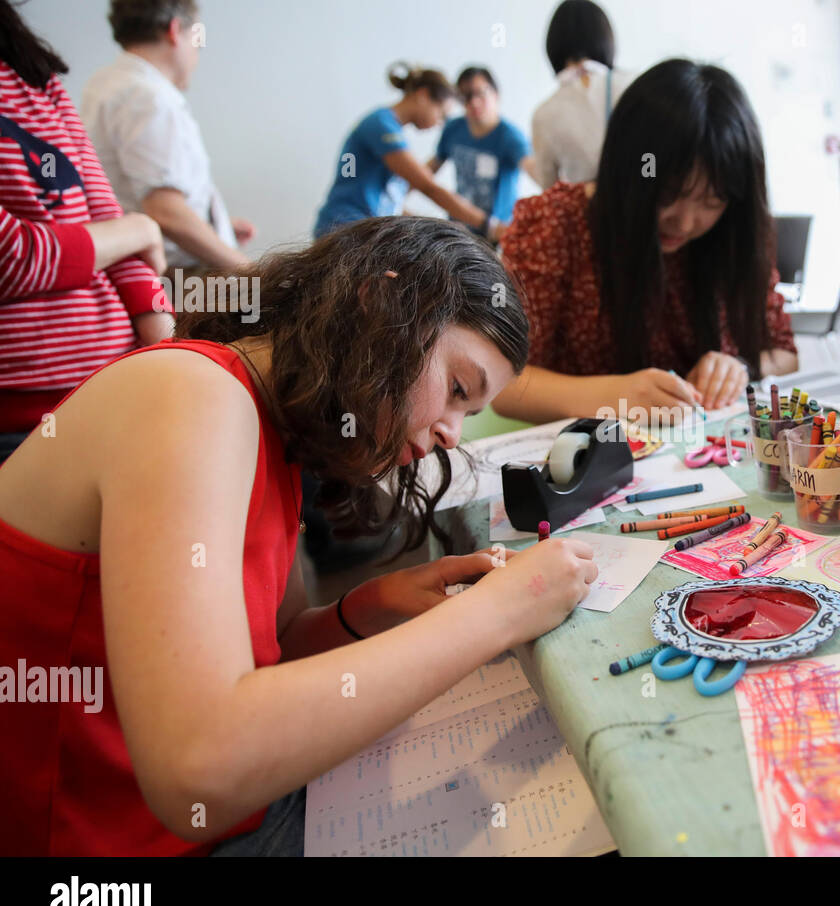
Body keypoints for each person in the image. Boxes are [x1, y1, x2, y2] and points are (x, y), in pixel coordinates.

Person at [0, 217, 597, 856]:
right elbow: (196, 769)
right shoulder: (191, 396)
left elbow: (274, 650)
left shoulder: (269, 429)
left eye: (468, 413)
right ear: (382, 303)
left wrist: (365, 609)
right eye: (456, 389)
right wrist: (495, 617)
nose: (451, 432)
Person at [493, 59, 798, 423]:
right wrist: (617, 395)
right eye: (668, 193)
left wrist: (741, 368)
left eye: (711, 202)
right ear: (629, 169)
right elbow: (505, 384)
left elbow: (785, 353)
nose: (684, 222)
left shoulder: (733, 234)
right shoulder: (556, 225)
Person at [0, 0, 171, 465]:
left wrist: (163, 337)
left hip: (112, 384)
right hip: (17, 417)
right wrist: (138, 228)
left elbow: (104, 213)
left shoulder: (32, 73)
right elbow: (11, 258)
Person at [82, 0, 253, 273]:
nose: (198, 52)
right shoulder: (148, 97)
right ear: (175, 30)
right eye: (197, 38)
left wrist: (220, 227)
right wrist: (251, 270)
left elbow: (134, 194)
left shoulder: (104, 84)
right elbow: (166, 212)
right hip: (175, 274)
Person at [314, 63, 488, 239]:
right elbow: (428, 186)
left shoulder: (391, 130)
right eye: (441, 114)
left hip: (359, 231)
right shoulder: (381, 125)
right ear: (423, 95)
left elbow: (390, 204)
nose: (440, 123)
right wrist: (488, 224)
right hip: (343, 231)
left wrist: (442, 228)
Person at [532, 0, 632, 188]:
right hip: (647, 208)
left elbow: (550, 191)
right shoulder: (635, 84)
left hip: (591, 214)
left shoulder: (544, 115)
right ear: (606, 39)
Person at [433, 67, 535, 235]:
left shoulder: (509, 136)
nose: (474, 102)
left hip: (497, 231)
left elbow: (531, 166)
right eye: (465, 97)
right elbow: (429, 171)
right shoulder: (453, 129)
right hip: (459, 228)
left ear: (496, 94)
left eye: (480, 93)